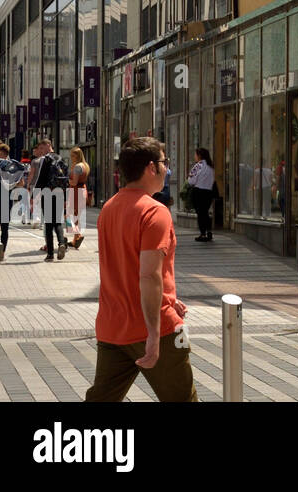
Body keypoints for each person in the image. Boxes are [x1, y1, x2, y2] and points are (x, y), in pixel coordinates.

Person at [85, 137, 195, 402]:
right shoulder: (155, 212)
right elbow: (148, 275)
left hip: (112, 326)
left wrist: (168, 297)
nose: (167, 168)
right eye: (164, 162)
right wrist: (154, 334)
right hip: (154, 326)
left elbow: (125, 266)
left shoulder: (108, 208)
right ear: (151, 168)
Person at [26, 138, 67, 261]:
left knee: (48, 224)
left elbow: (41, 179)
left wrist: (33, 196)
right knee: (58, 222)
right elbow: (65, 180)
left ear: (48, 145)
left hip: (47, 193)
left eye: (42, 148)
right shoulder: (61, 159)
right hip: (59, 193)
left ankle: (50, 254)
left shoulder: (46, 159)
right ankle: (61, 243)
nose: (41, 151)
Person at [188, 147, 216, 243]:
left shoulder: (198, 166)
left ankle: (202, 233)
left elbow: (191, 180)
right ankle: (209, 231)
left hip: (199, 191)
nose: (194, 156)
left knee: (200, 213)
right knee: (206, 212)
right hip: (208, 192)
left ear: (199, 155)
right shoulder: (211, 167)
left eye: (195, 154)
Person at [68, 147, 90, 249]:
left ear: (77, 156)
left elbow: (74, 182)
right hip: (82, 190)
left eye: (73, 155)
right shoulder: (85, 165)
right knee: (77, 215)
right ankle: (75, 239)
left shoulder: (77, 167)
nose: (71, 157)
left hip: (76, 190)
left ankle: (78, 235)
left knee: (70, 215)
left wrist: (66, 180)